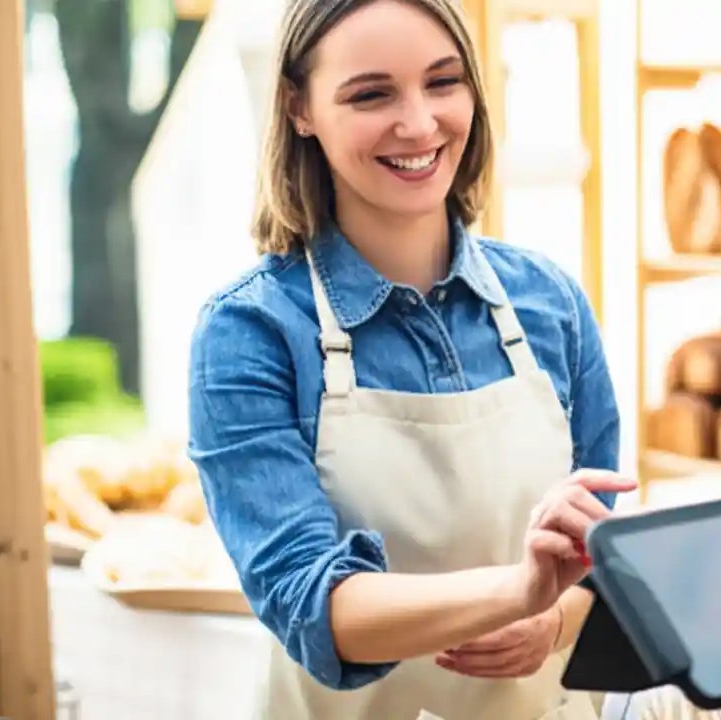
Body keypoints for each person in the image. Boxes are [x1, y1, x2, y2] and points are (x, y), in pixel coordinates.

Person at [185, 1, 631, 718]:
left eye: (443, 82)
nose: (420, 124)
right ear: (299, 107)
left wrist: (551, 623)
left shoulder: (551, 302)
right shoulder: (251, 332)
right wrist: (514, 592)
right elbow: (310, 603)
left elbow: (602, 554)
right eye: (371, 93)